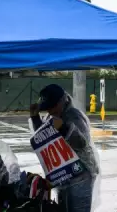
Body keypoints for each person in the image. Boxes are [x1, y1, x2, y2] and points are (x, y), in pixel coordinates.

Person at [30, 84, 100, 212]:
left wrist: (64, 128)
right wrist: (36, 119)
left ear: (62, 100)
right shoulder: (52, 117)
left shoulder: (74, 116)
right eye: (47, 108)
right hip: (63, 174)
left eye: (52, 106)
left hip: (80, 174)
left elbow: (81, 143)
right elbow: (44, 139)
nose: (50, 110)